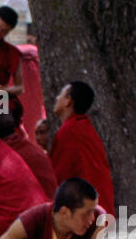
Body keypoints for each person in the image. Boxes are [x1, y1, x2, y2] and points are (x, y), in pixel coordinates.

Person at [49, 80, 114, 214]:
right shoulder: (85, 128)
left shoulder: (69, 132)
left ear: (68, 101)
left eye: (60, 95)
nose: (56, 98)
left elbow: (59, 176)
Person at [0, 105, 55, 198]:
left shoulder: (0, 156)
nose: (38, 138)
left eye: (42, 133)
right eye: (37, 133)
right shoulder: (32, 148)